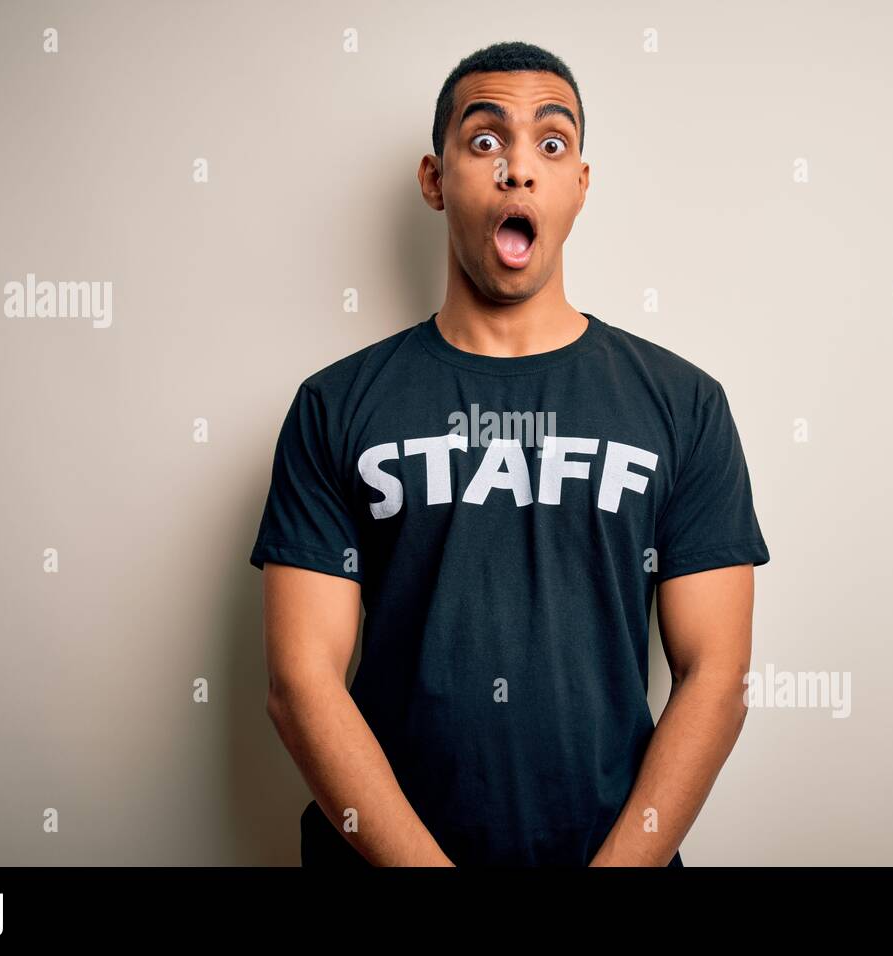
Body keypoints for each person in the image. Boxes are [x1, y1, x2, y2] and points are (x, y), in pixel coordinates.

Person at [251, 40, 770, 867]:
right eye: (485, 140)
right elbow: (299, 684)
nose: (518, 168)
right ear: (435, 178)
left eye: (551, 143)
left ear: (580, 185)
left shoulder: (684, 404)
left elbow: (716, 675)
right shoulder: (334, 406)